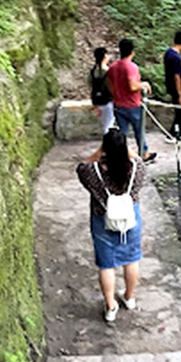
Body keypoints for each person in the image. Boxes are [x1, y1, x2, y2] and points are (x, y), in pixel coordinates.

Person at [77, 129, 146, 324]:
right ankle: (129, 297)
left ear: (105, 148)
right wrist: (126, 150)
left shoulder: (92, 172)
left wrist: (99, 151)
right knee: (132, 259)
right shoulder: (136, 169)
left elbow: (82, 166)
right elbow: (139, 161)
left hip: (102, 220)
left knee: (106, 264)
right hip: (130, 220)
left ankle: (110, 306)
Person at [106, 38, 157, 163]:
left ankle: (119, 155)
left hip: (118, 104)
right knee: (139, 131)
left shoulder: (113, 66)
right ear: (132, 52)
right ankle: (144, 153)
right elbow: (133, 86)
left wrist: (115, 94)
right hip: (132, 104)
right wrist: (144, 84)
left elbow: (108, 83)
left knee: (122, 133)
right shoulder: (131, 67)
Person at [163, 30, 181, 142]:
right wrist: (180, 93)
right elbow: (177, 76)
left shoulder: (169, 53)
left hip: (170, 85)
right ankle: (172, 134)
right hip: (176, 87)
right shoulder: (175, 57)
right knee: (180, 109)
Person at [90, 46, 114, 134]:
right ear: (104, 56)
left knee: (105, 123)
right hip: (108, 100)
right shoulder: (108, 71)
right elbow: (111, 86)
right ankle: (108, 143)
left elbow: (91, 86)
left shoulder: (93, 71)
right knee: (109, 124)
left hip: (97, 100)